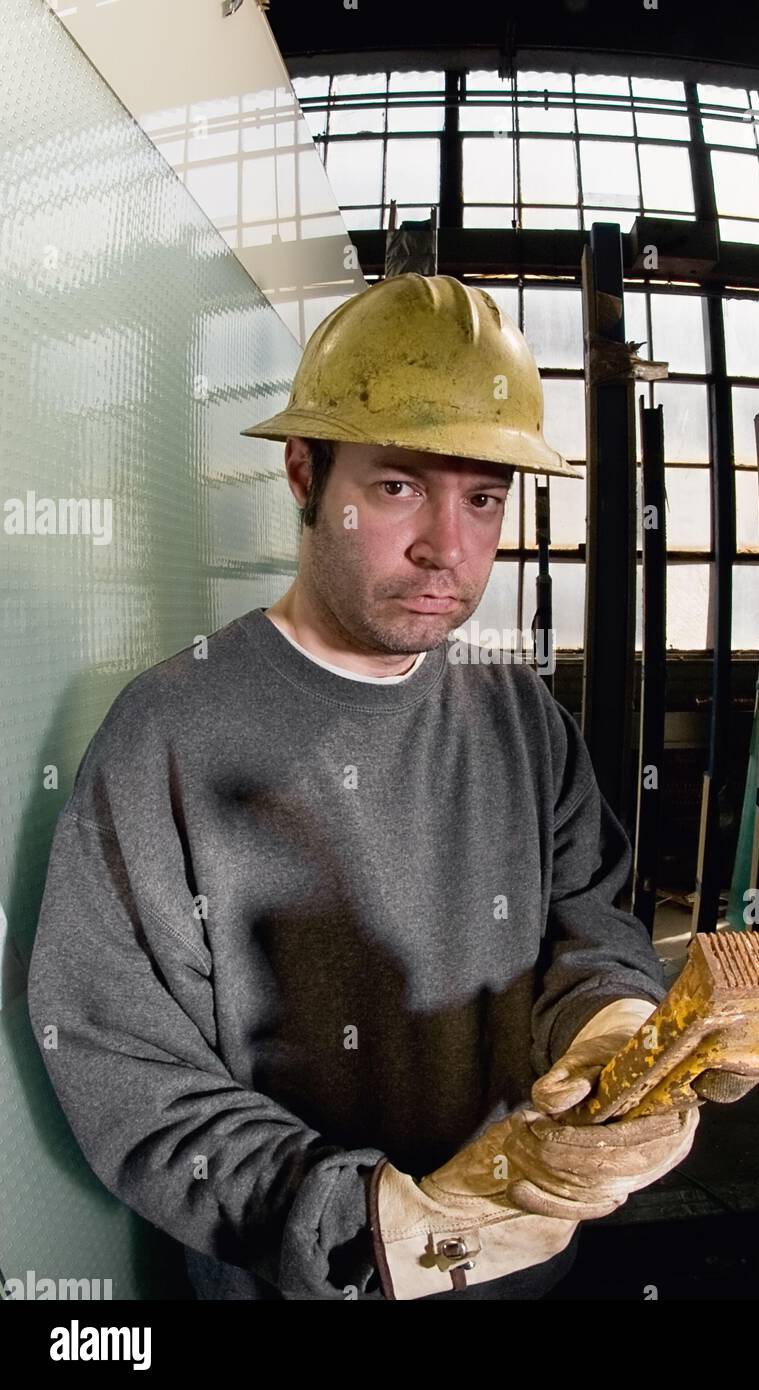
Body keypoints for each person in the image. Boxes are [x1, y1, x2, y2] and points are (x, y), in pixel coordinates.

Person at [27, 273, 698, 1302]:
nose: (448, 545)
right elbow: (124, 1057)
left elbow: (588, 922)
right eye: (396, 486)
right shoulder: (166, 732)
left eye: (482, 497)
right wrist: (354, 1219)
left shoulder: (522, 719)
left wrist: (608, 1022)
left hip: (524, 1267)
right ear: (304, 473)